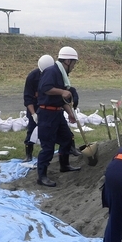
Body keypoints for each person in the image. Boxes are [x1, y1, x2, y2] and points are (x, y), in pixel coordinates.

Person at [35, 46, 81, 187]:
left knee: (67, 138)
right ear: (67, 61)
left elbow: (62, 99)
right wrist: (62, 92)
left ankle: (64, 165)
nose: (73, 66)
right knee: (48, 146)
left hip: (57, 112)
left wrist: (70, 113)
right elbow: (45, 88)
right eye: (73, 63)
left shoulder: (61, 74)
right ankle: (41, 176)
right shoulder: (52, 71)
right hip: (47, 114)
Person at [22, 54, 55, 162]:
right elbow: (28, 98)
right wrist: (33, 114)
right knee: (31, 130)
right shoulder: (32, 77)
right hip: (35, 108)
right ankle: (28, 154)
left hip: (49, 107)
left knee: (56, 129)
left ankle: (69, 149)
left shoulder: (54, 75)